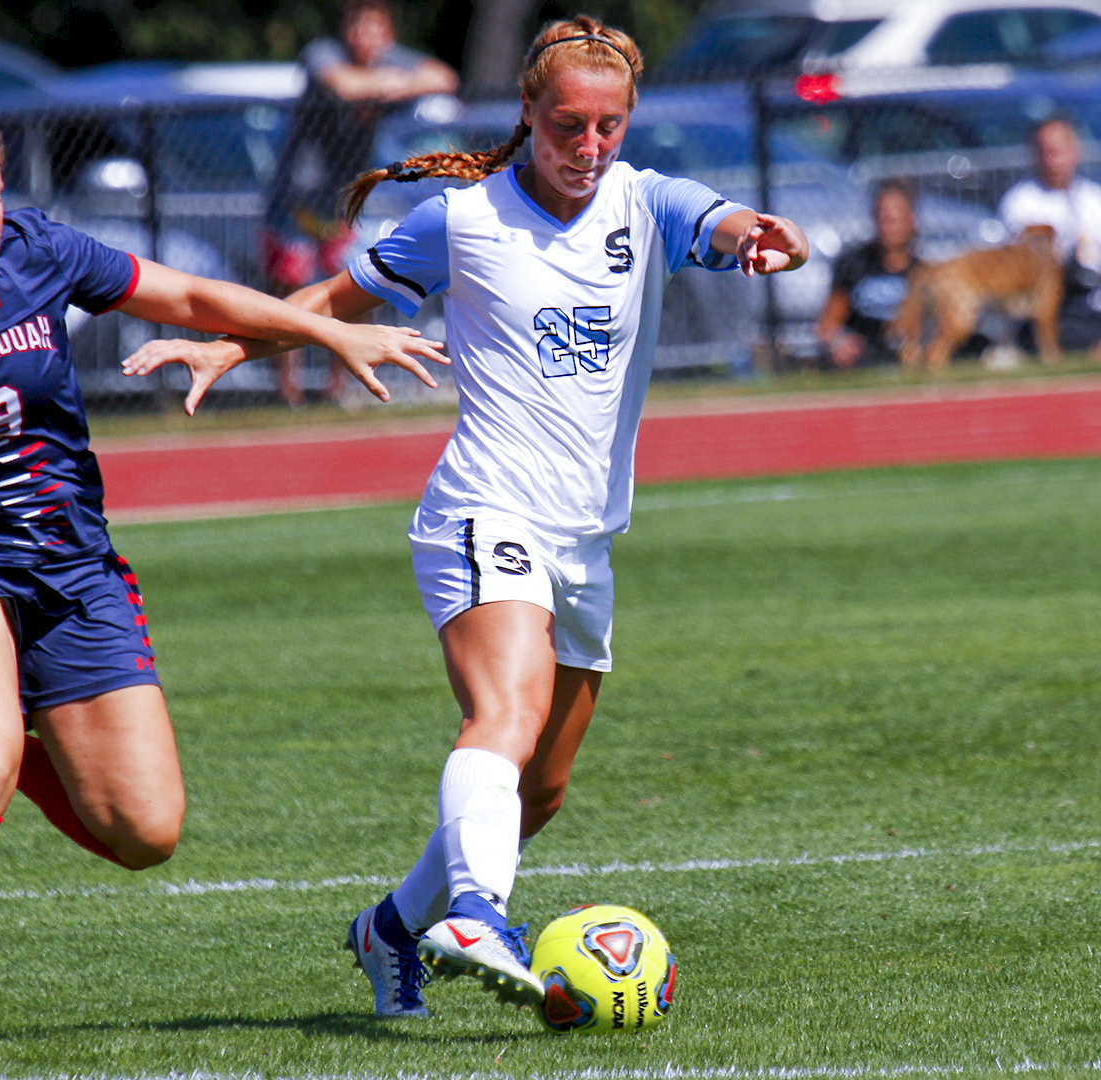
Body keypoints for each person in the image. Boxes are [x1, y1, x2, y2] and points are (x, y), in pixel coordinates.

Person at [122, 16, 807, 1017]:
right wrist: (231, 347)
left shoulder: (645, 203)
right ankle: (479, 911)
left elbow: (720, 220)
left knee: (542, 792)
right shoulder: (464, 221)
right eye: (569, 124)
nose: (588, 146)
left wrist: (759, 237)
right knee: (506, 714)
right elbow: (333, 298)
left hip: (585, 538)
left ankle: (391, 928)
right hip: (483, 510)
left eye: (608, 126)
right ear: (527, 114)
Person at [0, 77, 445, 1069]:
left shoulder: (39, 250)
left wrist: (327, 328)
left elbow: (194, 296)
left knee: (146, 833)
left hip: (73, 567)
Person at [264, 0, 459, 404]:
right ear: (346, 30)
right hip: (296, 200)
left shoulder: (389, 60)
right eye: (358, 26)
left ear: (388, 33)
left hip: (344, 201)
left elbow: (443, 77)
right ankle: (288, 394)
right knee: (292, 292)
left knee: (355, 287)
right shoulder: (323, 53)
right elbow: (343, 85)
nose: (366, 37)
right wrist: (391, 83)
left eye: (375, 28)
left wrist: (386, 82)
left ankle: (340, 387)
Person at [997, 115, 1101, 356]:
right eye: (1046, 152)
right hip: (1052, 303)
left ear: (1075, 151)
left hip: (1095, 298)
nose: (1053, 161)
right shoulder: (1020, 202)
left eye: (1058, 151)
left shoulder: (1096, 199)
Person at [817, 178, 919, 368]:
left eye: (896, 219)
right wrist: (838, 343)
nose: (889, 227)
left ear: (911, 220)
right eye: (884, 218)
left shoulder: (922, 271)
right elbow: (827, 325)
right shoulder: (854, 264)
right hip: (863, 356)